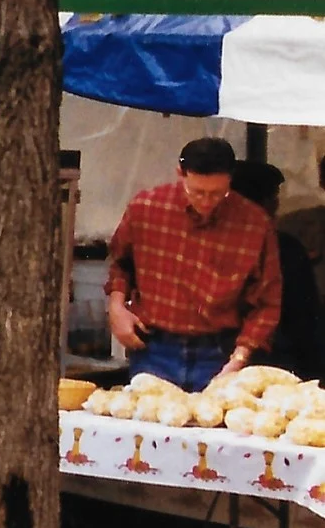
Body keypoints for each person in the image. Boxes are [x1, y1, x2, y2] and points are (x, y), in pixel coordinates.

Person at [103, 137, 281, 391]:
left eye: (218, 193)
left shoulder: (255, 224)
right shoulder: (146, 208)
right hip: (154, 347)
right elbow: (121, 264)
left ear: (231, 179)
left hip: (219, 352)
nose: (207, 201)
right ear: (181, 173)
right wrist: (117, 308)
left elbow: (267, 302)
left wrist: (239, 359)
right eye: (197, 191)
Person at [233, 162, 317, 375]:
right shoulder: (285, 248)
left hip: (222, 353)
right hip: (276, 357)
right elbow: (304, 319)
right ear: (269, 202)